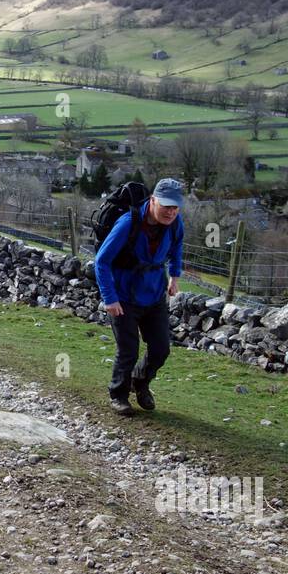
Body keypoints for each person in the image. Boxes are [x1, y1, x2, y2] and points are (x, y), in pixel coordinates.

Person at [94, 177, 185, 415]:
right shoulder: (127, 224)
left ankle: (140, 382)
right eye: (166, 205)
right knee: (128, 349)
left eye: (175, 207)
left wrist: (174, 276)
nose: (171, 211)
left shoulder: (176, 224)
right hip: (123, 295)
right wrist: (109, 298)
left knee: (160, 348)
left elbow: (177, 247)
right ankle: (119, 395)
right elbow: (101, 262)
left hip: (154, 293)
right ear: (153, 200)